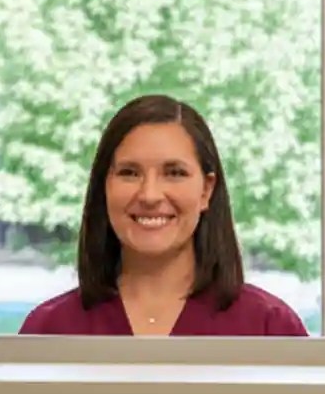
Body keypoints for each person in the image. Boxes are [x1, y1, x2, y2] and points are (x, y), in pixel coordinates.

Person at [19, 94, 309, 337]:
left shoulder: (270, 328)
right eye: (129, 173)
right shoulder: (48, 330)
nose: (150, 195)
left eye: (174, 173)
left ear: (206, 190)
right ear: (104, 186)